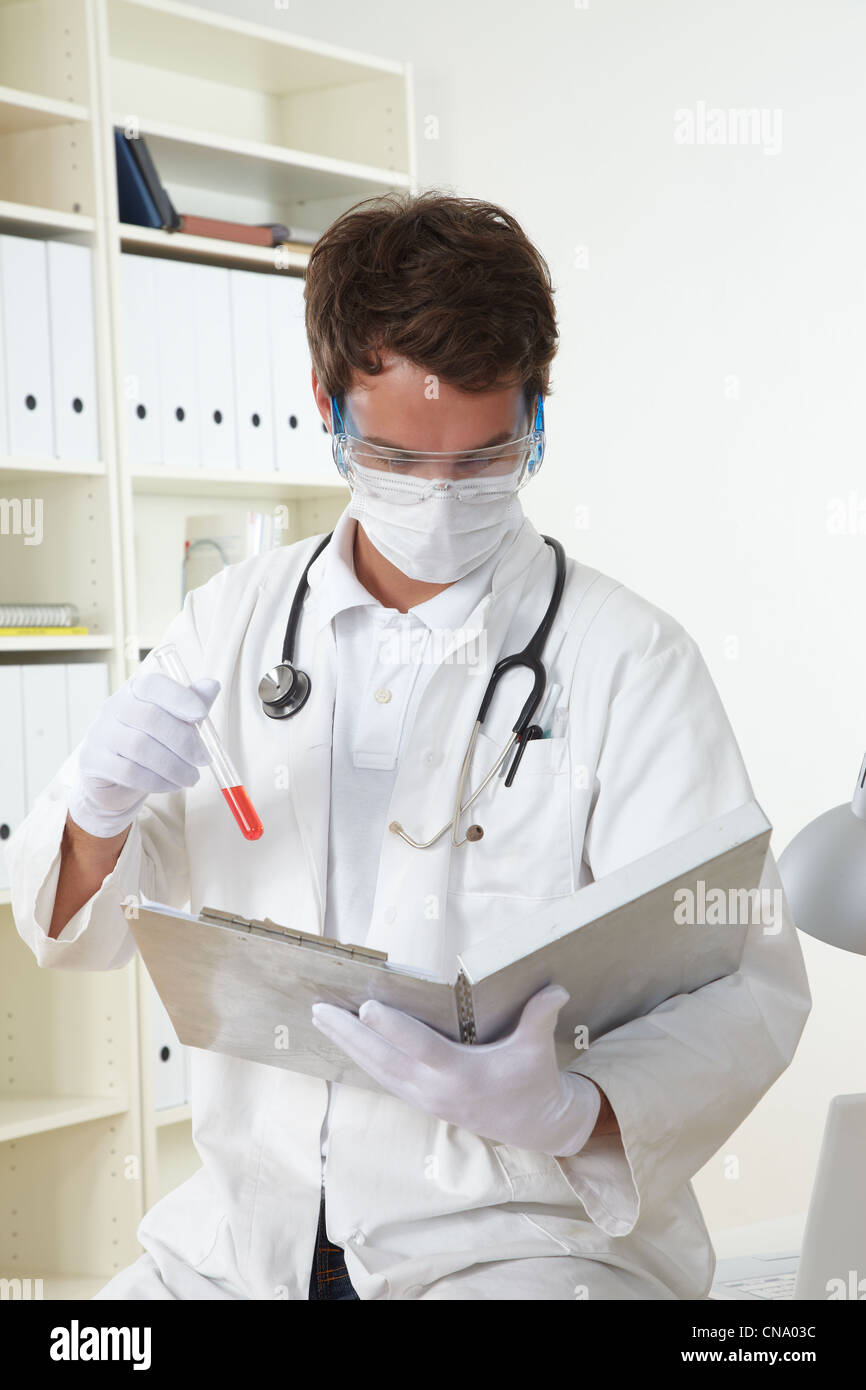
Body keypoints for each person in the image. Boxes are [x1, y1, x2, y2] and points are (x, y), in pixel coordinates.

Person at [7, 190, 811, 1301]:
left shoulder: (628, 660)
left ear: (537, 407)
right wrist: (93, 813)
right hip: (243, 1241)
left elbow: (748, 985)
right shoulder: (227, 623)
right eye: (394, 457)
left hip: (523, 1240)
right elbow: (72, 933)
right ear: (325, 405)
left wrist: (575, 1107)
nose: (438, 499)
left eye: (484, 460)